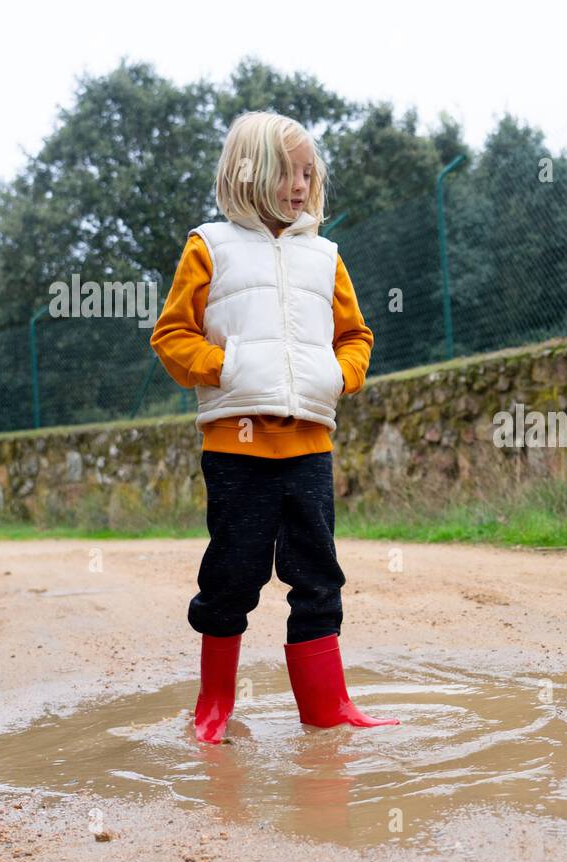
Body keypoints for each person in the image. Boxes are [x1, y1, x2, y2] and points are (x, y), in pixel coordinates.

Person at [150, 110, 398, 744]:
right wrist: (226, 366)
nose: (299, 184)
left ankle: (327, 706)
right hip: (236, 447)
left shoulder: (326, 257)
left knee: (317, 573)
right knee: (233, 573)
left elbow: (356, 335)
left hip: (310, 445)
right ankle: (214, 709)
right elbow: (172, 335)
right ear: (246, 173)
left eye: (308, 172)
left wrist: (339, 376)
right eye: (285, 170)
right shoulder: (209, 245)